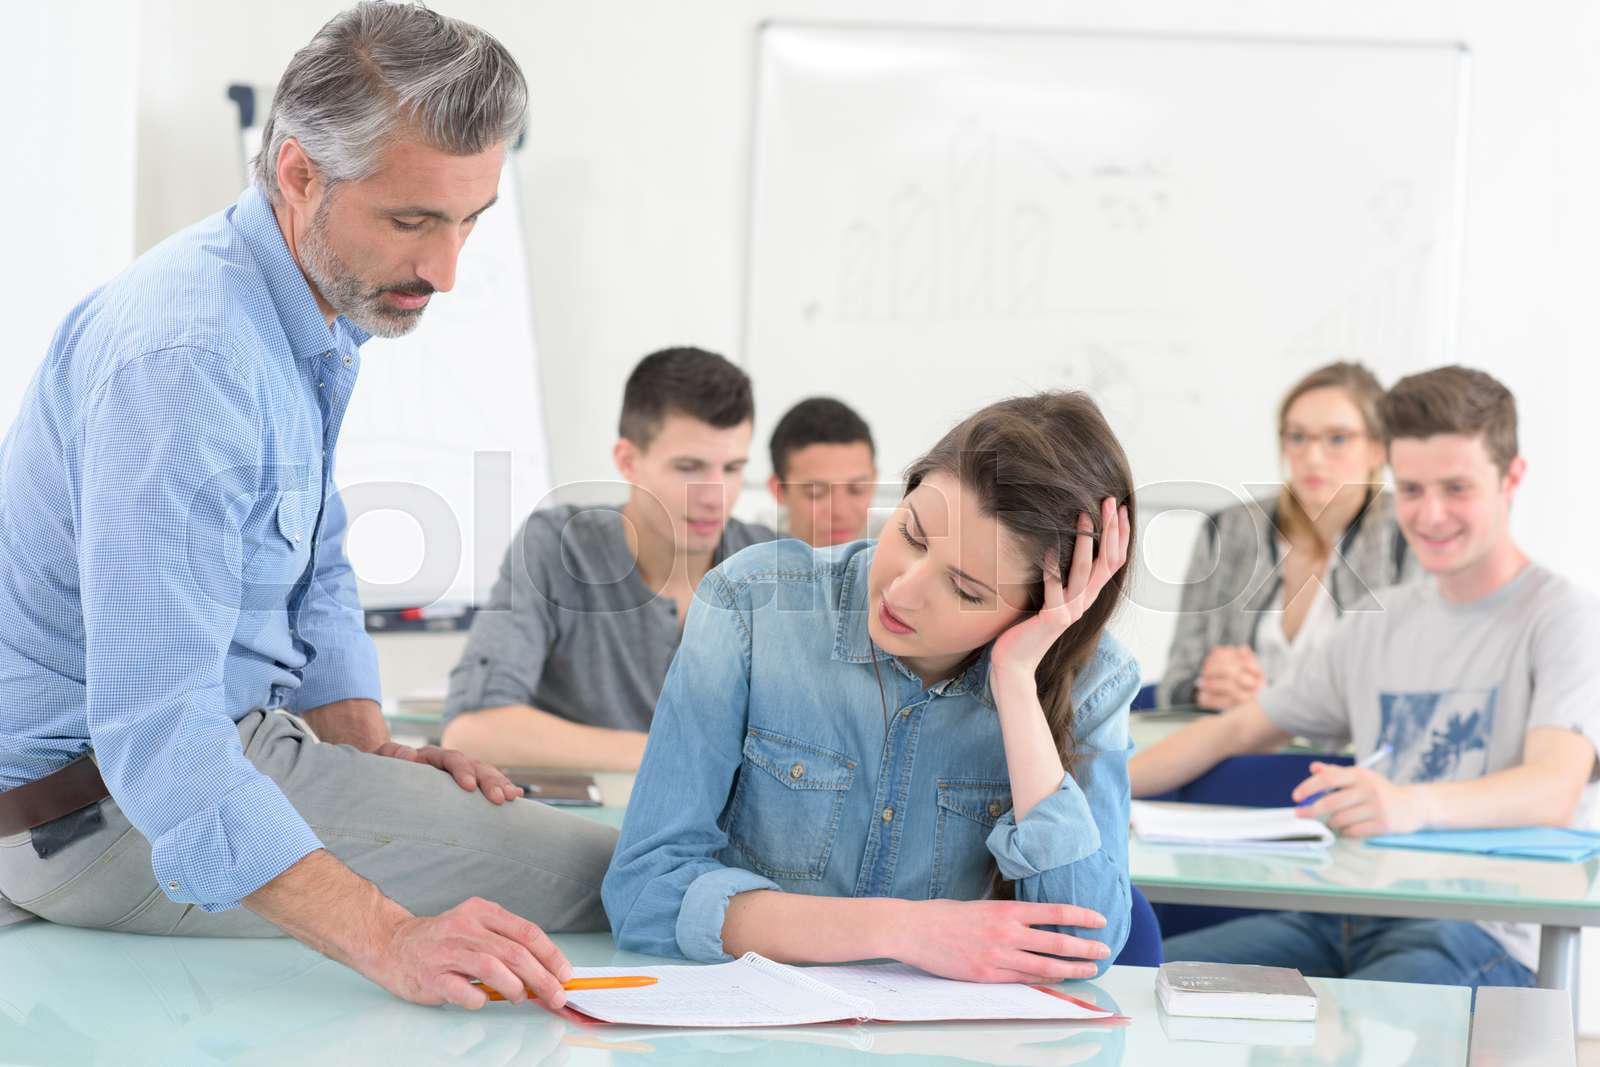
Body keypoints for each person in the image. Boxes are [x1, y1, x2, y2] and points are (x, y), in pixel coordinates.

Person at [0, 3, 615, 1011]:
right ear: (297, 173)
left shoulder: (293, 307)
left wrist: (368, 752)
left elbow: (312, 561)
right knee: (618, 872)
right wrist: (390, 937)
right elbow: (157, 732)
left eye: (469, 220)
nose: (446, 270)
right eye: (413, 221)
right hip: (102, 815)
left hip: (155, 777)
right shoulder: (192, 360)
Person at [604, 391, 1138, 982]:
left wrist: (1014, 682)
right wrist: (900, 929)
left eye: (965, 590)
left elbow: (1081, 946)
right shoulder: (752, 605)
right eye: (912, 534)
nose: (902, 592)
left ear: (1035, 608)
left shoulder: (1094, 680)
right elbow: (644, 893)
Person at [1131, 366, 1600, 990]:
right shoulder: (1379, 624)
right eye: (1412, 489)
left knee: (1385, 1011)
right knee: (1144, 982)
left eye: (1457, 488)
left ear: (1511, 479)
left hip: (1479, 930)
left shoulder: (1562, 616)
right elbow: (1235, 730)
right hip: (1345, 918)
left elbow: (1553, 788)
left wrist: (1409, 805)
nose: (1430, 514)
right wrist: (1090, 791)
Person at [440, 348, 774, 771]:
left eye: (732, 468)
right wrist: (678, 753)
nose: (714, 496)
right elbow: (472, 731)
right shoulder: (557, 547)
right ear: (628, 461)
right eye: (689, 467)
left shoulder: (771, 565)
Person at [1160, 362, 1414, 709]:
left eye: (1337, 439)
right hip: (1233, 739)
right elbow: (1173, 683)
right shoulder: (1227, 530)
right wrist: (1203, 688)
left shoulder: (1410, 536)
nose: (1312, 457)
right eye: (1297, 437)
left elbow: (1419, 687)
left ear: (1379, 447)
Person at [766, 396, 878, 548]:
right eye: (816, 492)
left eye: (857, 489)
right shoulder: (747, 552)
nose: (840, 512)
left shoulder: (902, 541)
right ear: (778, 491)